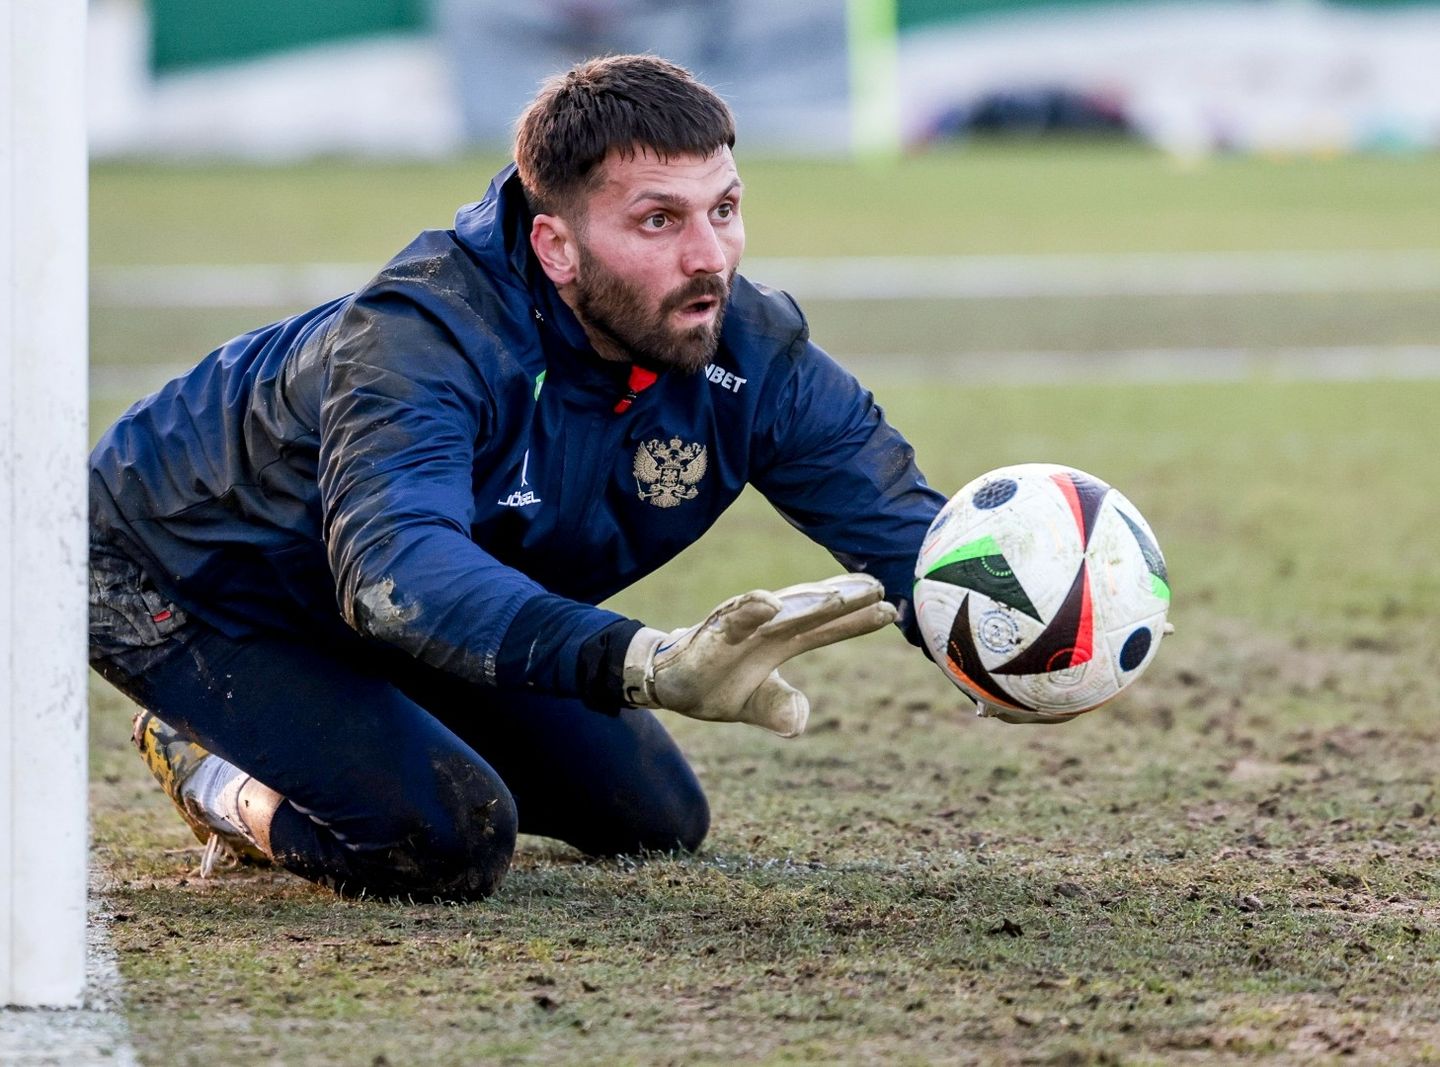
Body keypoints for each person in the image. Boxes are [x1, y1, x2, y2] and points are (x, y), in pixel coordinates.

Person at [88, 54, 946, 901]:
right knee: (446, 838)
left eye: (723, 209)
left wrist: (1007, 639)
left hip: (370, 595)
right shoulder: (423, 338)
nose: (709, 257)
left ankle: (350, 719)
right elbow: (399, 575)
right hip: (185, 574)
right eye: (659, 221)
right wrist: (642, 660)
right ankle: (207, 765)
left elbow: (911, 537)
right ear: (555, 246)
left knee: (654, 817)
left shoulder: (752, 351)